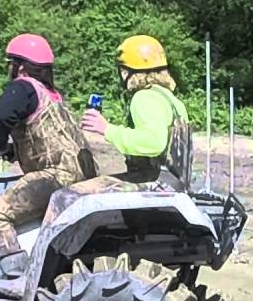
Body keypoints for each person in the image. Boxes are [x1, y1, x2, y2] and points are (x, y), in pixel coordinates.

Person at [0, 34, 98, 299]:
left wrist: (0, 147)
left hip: (55, 176)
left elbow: (1, 117)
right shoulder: (54, 96)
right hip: (85, 178)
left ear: (20, 66)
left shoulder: (23, 86)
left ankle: (20, 277)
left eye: (11, 63)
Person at [80, 35, 191, 187]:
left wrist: (107, 129)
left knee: (74, 194)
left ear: (127, 72)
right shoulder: (170, 99)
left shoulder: (144, 97)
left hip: (153, 186)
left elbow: (154, 142)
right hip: (174, 184)